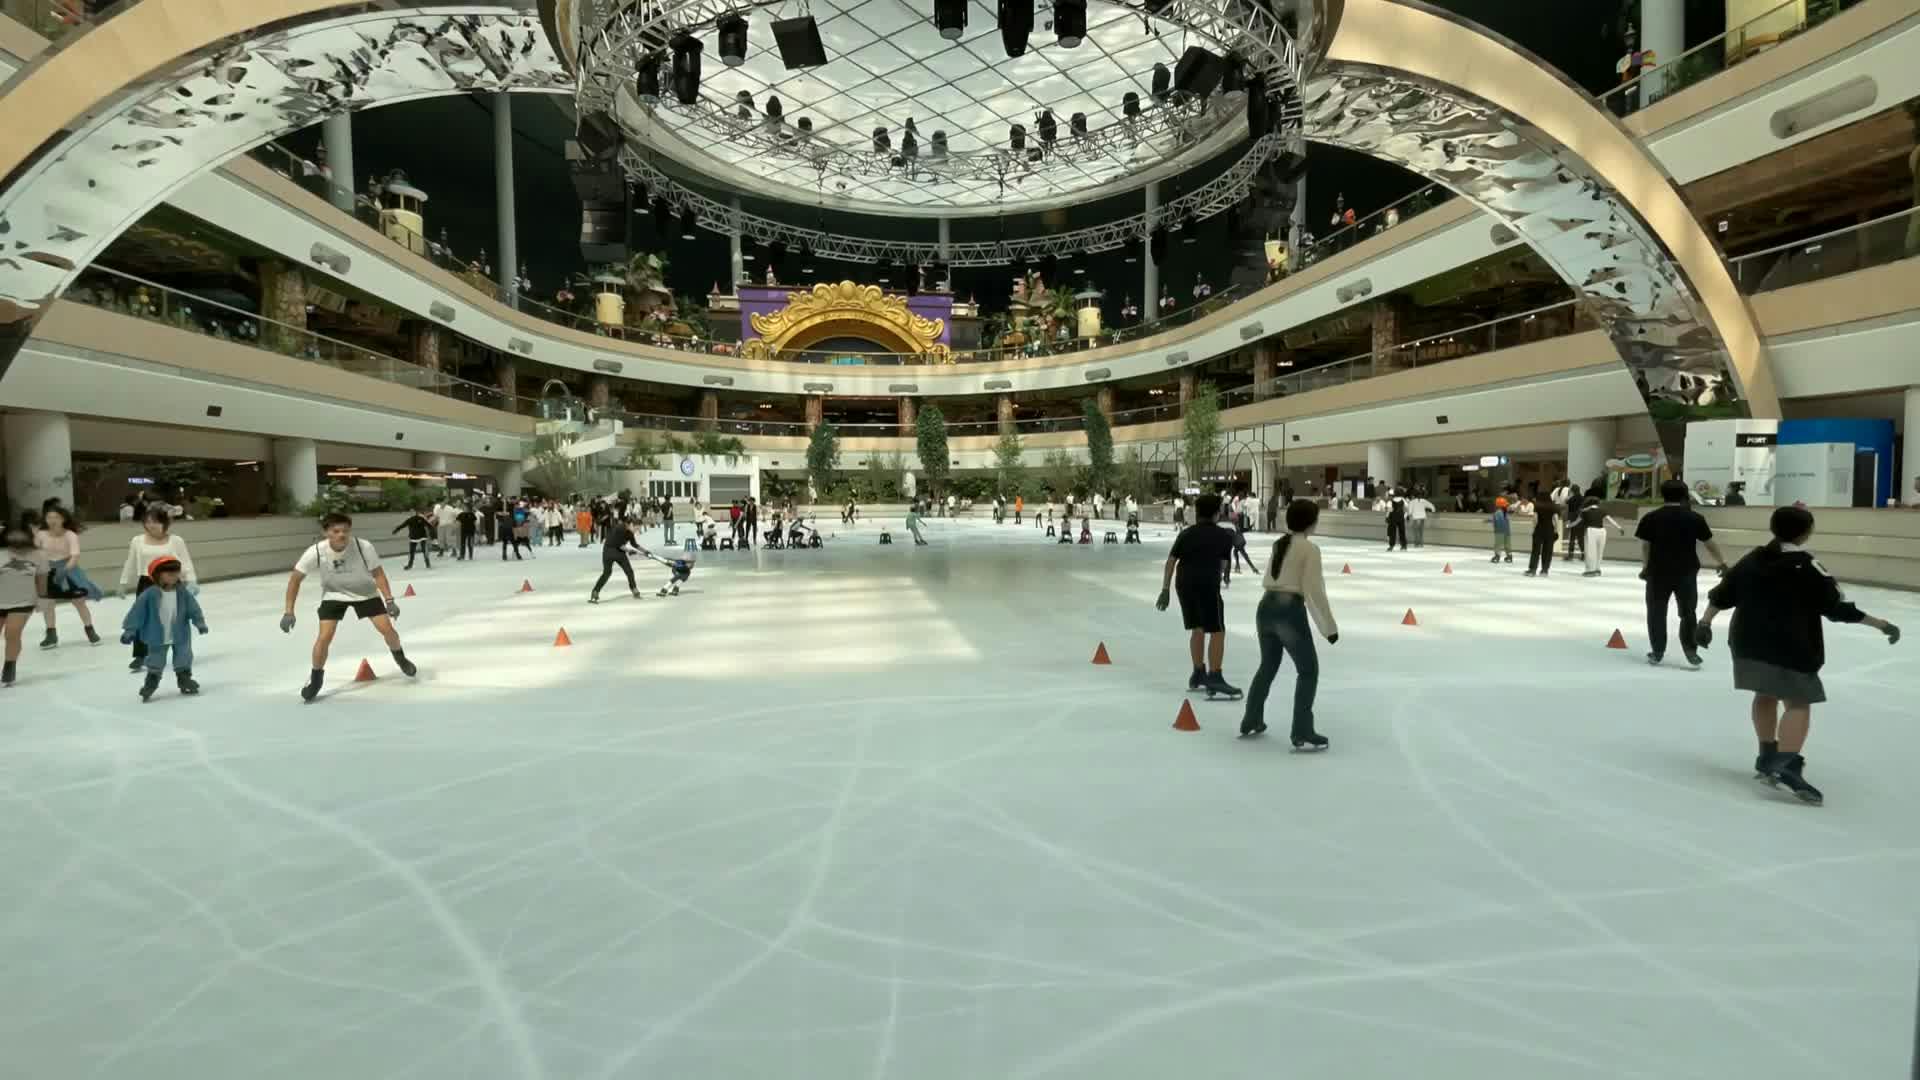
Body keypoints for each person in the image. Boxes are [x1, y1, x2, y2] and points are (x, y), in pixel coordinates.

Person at [1696, 506, 1901, 806]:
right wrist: (1880, 624)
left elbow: (1723, 593)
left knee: (1765, 693)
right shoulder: (1807, 566)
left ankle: (1767, 755)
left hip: (1747, 642)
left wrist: (1705, 622)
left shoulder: (1754, 558)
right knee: (1797, 702)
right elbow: (1836, 608)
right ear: (1807, 532)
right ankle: (1787, 764)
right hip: (1790, 646)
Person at [281, 512, 416, 703]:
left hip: (366, 594)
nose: (341, 535)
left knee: (387, 630)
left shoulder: (363, 546)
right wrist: (289, 611)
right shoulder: (317, 551)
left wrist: (390, 600)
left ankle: (400, 657)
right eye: (336, 531)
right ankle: (316, 680)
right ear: (326, 532)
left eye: (345, 530)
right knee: (324, 637)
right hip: (334, 595)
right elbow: (295, 580)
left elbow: (378, 574)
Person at [1240, 499, 1338, 749]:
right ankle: (1302, 729)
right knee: (1308, 671)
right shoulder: (1309, 549)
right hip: (1288, 611)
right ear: (1311, 522)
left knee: (1268, 665)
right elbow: (1314, 590)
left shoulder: (1280, 543)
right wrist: (1329, 628)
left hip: (1265, 608)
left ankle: (1251, 718)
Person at [1635, 479, 1729, 667]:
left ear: (1663, 495)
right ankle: (1691, 651)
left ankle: (1657, 651)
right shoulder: (1694, 518)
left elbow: (1646, 546)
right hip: (1686, 572)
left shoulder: (1651, 517)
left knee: (1656, 612)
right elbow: (1709, 543)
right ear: (1685, 495)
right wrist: (1722, 563)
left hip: (1658, 572)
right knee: (1688, 612)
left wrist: (1645, 567)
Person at [1156, 493, 1241, 700]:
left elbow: (1171, 561)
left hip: (1184, 585)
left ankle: (1198, 672)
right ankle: (1215, 676)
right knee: (1217, 630)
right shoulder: (1223, 536)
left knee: (1198, 628)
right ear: (1216, 513)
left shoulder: (1186, 534)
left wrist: (1165, 590)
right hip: (1207, 586)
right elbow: (1222, 565)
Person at [117, 507, 198, 673]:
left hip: (172, 583)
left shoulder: (176, 541)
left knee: (175, 618)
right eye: (147, 522)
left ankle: (181, 651)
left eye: (155, 521)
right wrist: (123, 582)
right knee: (144, 618)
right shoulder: (137, 541)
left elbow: (186, 561)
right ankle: (140, 655)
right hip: (147, 583)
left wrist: (192, 580)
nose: (150, 525)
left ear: (164, 522)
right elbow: (130, 562)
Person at [119, 556, 208, 702]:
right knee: (155, 659)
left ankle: (184, 678)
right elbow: (137, 613)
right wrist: (130, 630)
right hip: (157, 635)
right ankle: (151, 682)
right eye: (169, 573)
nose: (174, 576)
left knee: (184, 655)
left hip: (180, 633)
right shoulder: (149, 594)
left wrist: (200, 622)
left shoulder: (182, 592)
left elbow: (194, 608)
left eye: (176, 573)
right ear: (157, 575)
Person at [35, 505, 103, 648]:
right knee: (48, 603)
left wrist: (64, 571)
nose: (52, 520)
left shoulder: (70, 535)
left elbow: (75, 555)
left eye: (56, 517)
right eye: (49, 517)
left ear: (63, 519)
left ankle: (90, 629)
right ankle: (51, 634)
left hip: (68, 569)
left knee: (78, 601)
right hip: (47, 570)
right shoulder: (41, 534)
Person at [2, 518, 50, 688]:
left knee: (12, 633)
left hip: (23, 601)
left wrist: (43, 599)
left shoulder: (38, 555)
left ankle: (9, 665)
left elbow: (42, 578)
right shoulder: (2, 552)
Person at [589, 516, 644, 603]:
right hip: (609, 551)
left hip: (619, 552)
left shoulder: (630, 532)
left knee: (629, 571)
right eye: (636, 528)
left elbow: (634, 544)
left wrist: (645, 551)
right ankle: (595, 592)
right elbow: (620, 545)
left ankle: (634, 589)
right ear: (631, 524)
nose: (637, 531)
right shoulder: (619, 528)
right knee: (607, 573)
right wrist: (630, 551)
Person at [1576, 495, 1626, 577]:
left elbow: (1577, 521)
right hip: (1602, 531)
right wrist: (1619, 528)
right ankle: (1597, 569)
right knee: (1599, 551)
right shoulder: (1602, 510)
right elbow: (1610, 520)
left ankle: (1590, 570)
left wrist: (1569, 525)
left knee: (1590, 551)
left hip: (1591, 530)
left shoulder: (1585, 511)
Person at [1525, 495, 1560, 577]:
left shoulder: (1537, 506)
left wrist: (1534, 528)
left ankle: (1532, 570)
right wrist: (1556, 530)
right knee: (1547, 551)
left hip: (1539, 530)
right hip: (1549, 530)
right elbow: (1556, 518)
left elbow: (1535, 518)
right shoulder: (1553, 506)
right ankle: (1544, 570)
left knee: (1535, 550)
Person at [392, 505, 435, 570]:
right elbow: (402, 525)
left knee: (424, 551)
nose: (412, 513)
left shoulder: (420, 518)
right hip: (413, 538)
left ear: (416, 512)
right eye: (410, 512)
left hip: (422, 537)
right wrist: (396, 530)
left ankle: (427, 563)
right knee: (412, 552)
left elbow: (428, 525)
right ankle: (410, 565)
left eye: (413, 511)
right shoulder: (409, 520)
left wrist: (433, 534)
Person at [1488, 496, 1514, 563]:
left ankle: (1497, 556)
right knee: (1507, 544)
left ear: (1498, 505)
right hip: (1507, 532)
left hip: (1499, 531)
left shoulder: (1497, 513)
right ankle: (1509, 556)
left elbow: (1495, 521)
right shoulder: (1506, 513)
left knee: (1498, 544)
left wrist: (1489, 521)